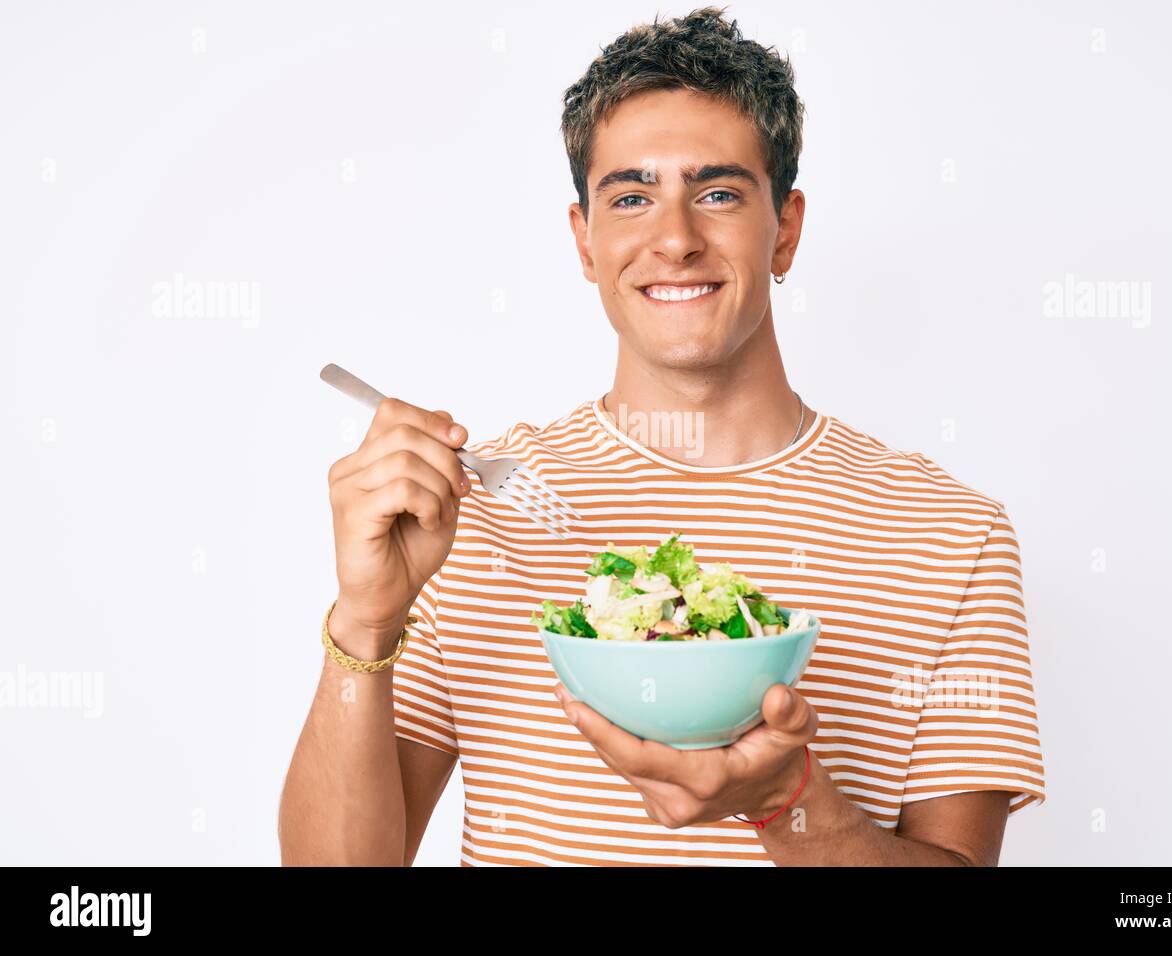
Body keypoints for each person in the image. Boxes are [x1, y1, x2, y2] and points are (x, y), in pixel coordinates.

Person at [279, 6, 1045, 866]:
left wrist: (788, 801)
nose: (674, 240)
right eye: (632, 198)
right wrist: (365, 623)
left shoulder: (951, 532)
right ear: (586, 241)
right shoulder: (472, 513)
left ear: (785, 228)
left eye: (717, 194)